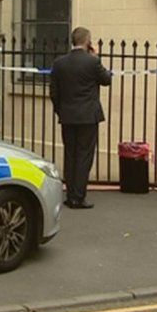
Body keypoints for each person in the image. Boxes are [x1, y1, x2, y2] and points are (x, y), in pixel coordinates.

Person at [50, 27, 113, 209]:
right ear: (88, 41)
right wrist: (96, 58)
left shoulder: (59, 63)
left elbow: (54, 92)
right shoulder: (92, 62)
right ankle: (79, 196)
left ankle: (70, 195)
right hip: (87, 115)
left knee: (70, 154)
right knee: (84, 156)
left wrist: (60, 110)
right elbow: (107, 79)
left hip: (68, 115)